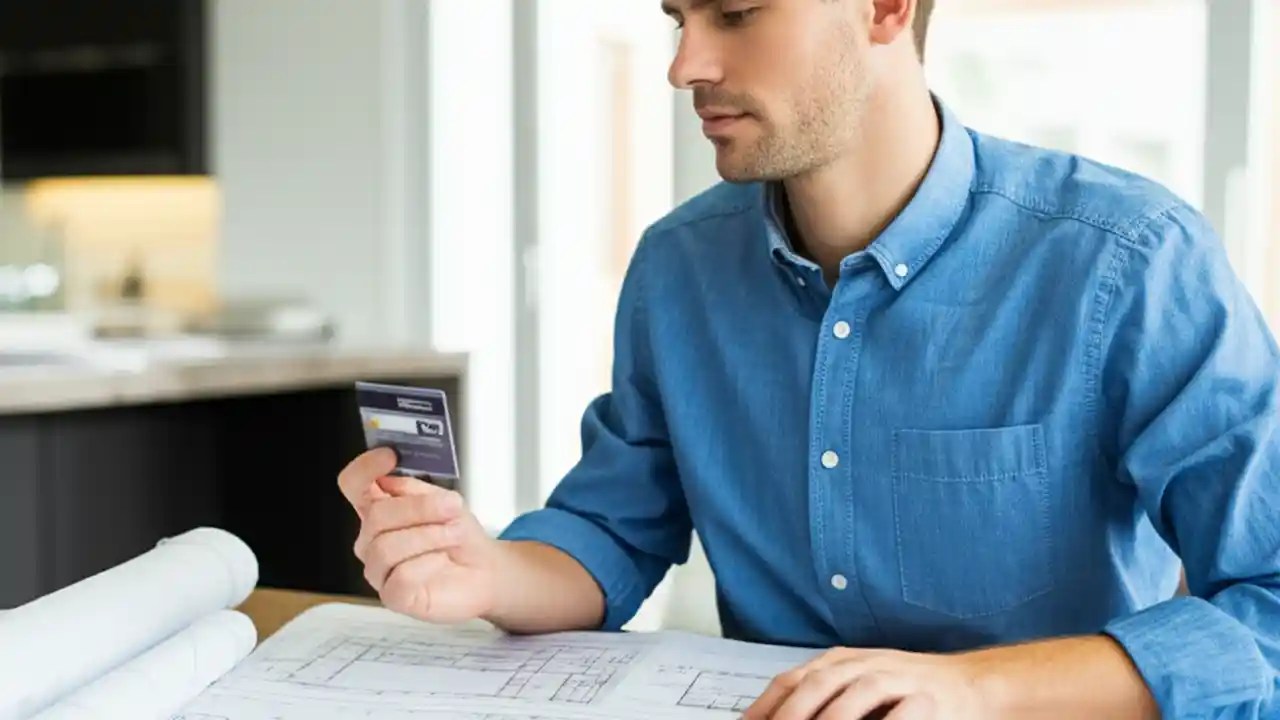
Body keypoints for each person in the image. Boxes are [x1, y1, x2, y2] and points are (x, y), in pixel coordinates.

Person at [338, 0, 1280, 717]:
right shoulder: (680, 267)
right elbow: (616, 533)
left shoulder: (1129, 259)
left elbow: (1268, 608)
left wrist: (975, 691)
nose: (683, 65)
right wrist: (483, 570)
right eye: (678, 17)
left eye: (738, 13)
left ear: (885, 8)